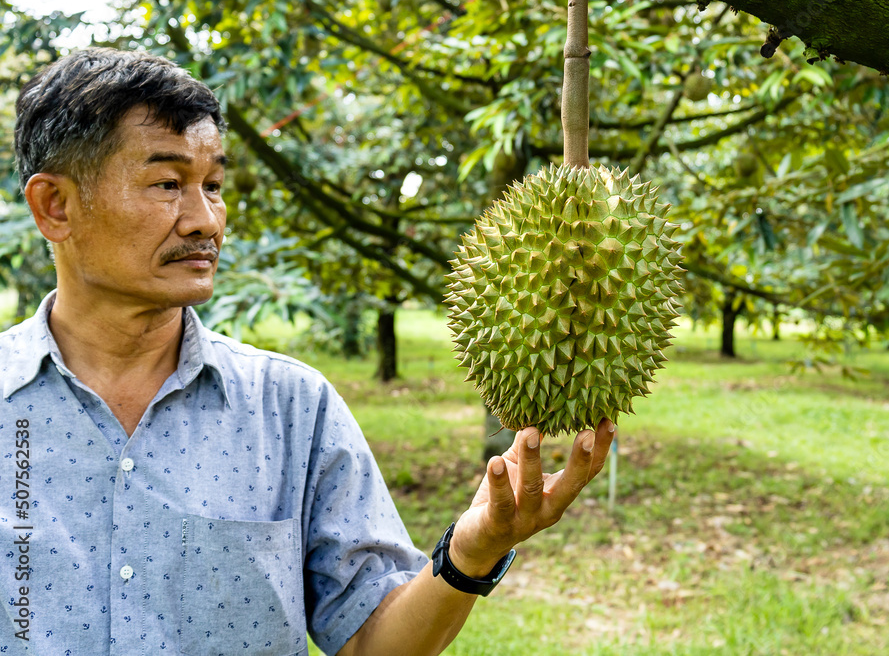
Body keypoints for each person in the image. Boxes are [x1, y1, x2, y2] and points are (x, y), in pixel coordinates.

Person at [0, 47, 615, 655]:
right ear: (55, 206)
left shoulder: (292, 408)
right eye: (166, 183)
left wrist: (471, 551)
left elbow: (370, 645)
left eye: (212, 185)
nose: (204, 220)